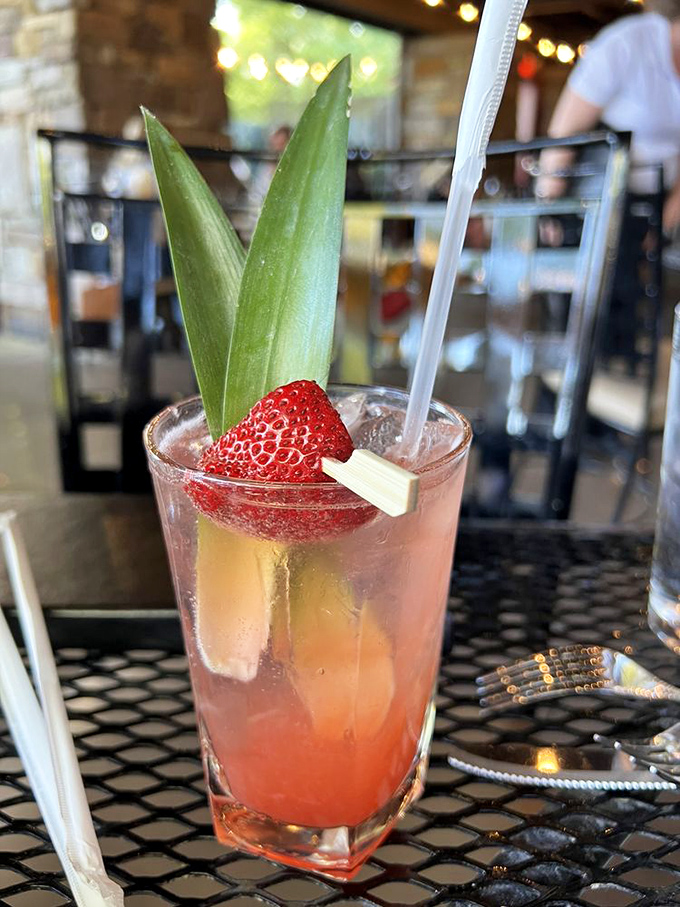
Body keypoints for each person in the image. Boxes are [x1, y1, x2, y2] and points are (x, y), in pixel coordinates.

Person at [538, 0, 680, 234]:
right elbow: (564, 135)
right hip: (604, 200)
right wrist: (550, 211)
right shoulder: (625, 43)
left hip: (661, 201)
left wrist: (664, 226)